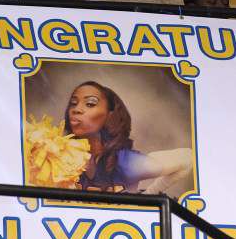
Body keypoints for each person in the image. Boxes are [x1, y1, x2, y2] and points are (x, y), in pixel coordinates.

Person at [64, 81, 192, 193]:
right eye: (73, 103)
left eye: (90, 103)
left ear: (110, 116)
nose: (76, 109)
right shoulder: (61, 158)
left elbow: (187, 158)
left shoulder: (125, 163)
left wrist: (149, 195)